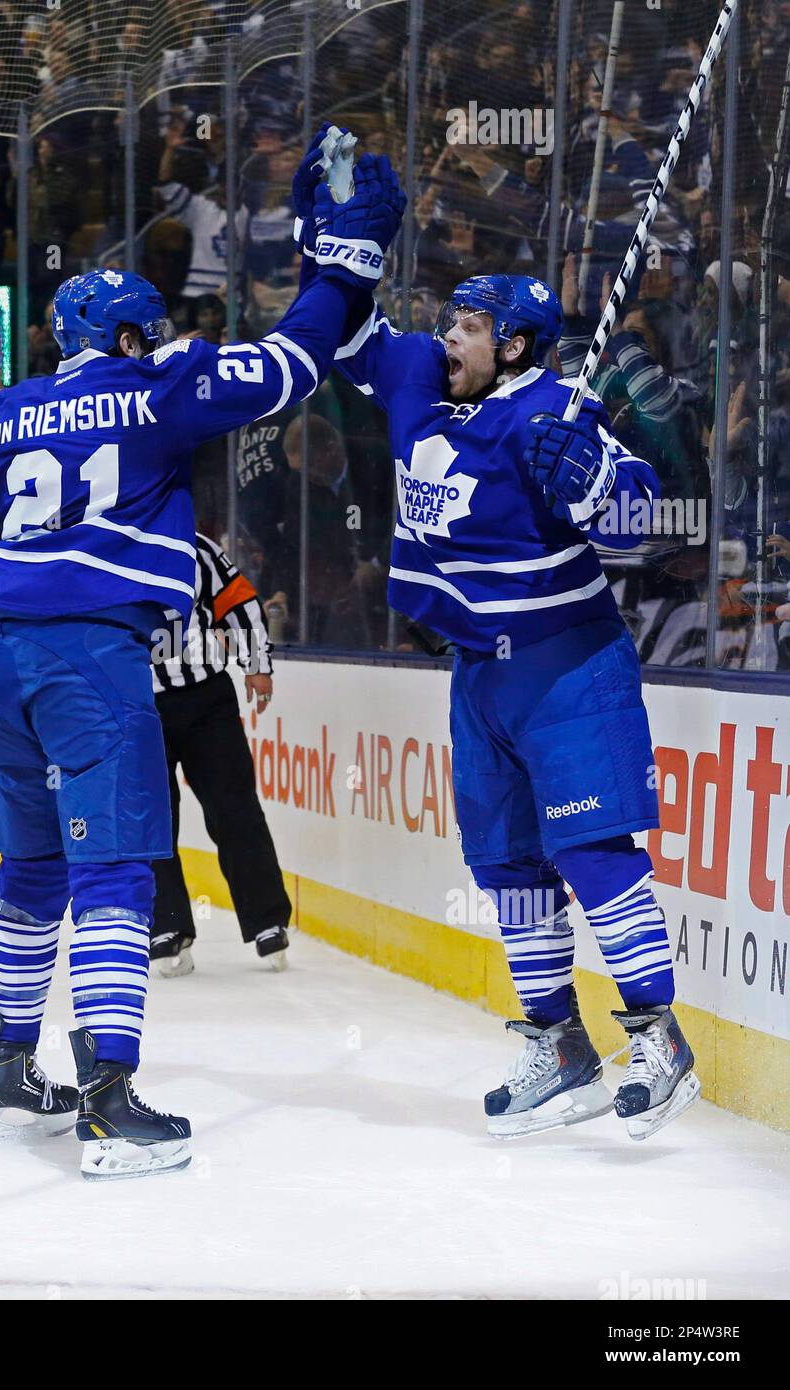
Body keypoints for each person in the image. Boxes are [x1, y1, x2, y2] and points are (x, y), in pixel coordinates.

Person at [0, 157, 404, 1179]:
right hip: (91, 657)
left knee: (30, 874)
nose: (155, 339)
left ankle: (1, 1074)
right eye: (144, 328)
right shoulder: (161, 384)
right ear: (122, 338)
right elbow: (291, 364)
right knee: (113, 872)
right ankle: (109, 1101)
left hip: (2, 663)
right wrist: (340, 268)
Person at [292, 126, 699, 1143]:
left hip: (566, 666)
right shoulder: (422, 383)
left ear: (512, 346)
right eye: (446, 322)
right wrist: (327, 247)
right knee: (508, 868)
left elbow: (640, 510)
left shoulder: (557, 412)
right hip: (477, 673)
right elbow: (342, 338)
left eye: (465, 328)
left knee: (591, 848)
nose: (445, 338)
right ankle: (557, 1045)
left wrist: (600, 478)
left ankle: (655, 1036)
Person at [149, 532, 291, 977]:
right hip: (137, 705)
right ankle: (168, 926)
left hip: (206, 699)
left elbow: (239, 602)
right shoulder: (104, 544)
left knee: (235, 809)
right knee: (152, 820)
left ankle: (267, 920)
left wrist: (257, 664)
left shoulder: (196, 547)